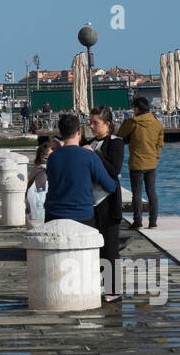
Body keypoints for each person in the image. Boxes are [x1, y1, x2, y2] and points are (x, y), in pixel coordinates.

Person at [44, 113, 116, 224]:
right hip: (82, 216)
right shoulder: (89, 156)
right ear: (79, 132)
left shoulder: (52, 157)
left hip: (54, 214)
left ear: (60, 133)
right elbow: (110, 186)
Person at [86, 106, 125, 300]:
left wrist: (96, 155)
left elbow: (114, 169)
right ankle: (97, 284)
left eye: (96, 123)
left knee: (110, 248)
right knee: (95, 247)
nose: (92, 126)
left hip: (109, 201)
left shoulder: (116, 143)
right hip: (91, 202)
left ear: (107, 124)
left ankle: (113, 289)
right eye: (90, 122)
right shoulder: (89, 142)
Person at [118, 97, 164, 229]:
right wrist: (156, 154)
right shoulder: (156, 123)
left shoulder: (133, 122)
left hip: (137, 163)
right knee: (152, 193)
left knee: (137, 194)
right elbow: (160, 141)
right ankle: (153, 222)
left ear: (137, 109)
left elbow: (120, 133)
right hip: (152, 163)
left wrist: (126, 120)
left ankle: (138, 222)